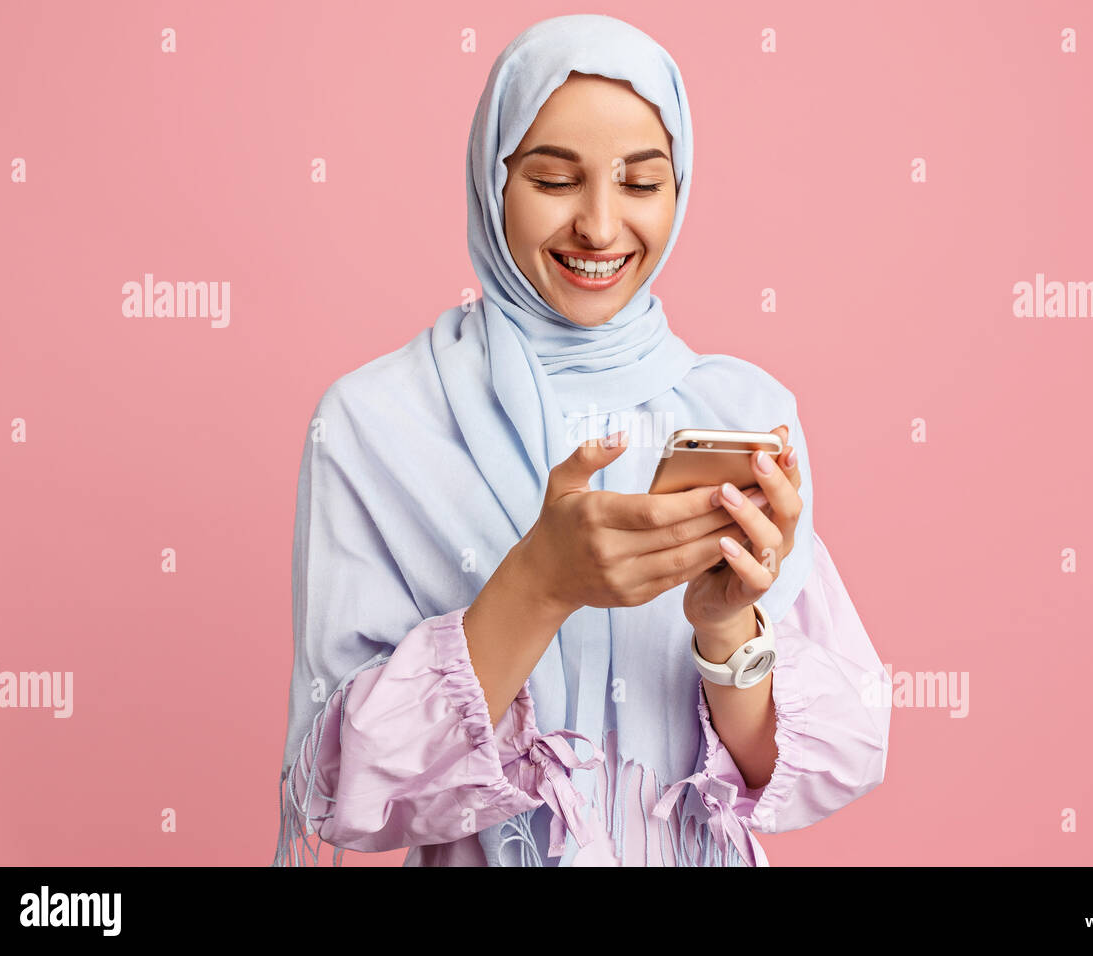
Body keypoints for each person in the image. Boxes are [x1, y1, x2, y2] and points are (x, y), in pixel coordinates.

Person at [272, 13, 891, 868]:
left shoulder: (742, 410)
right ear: (494, 182)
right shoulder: (378, 422)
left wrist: (724, 626)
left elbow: (796, 773)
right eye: (555, 179)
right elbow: (349, 789)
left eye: (641, 184)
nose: (600, 229)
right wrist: (539, 583)